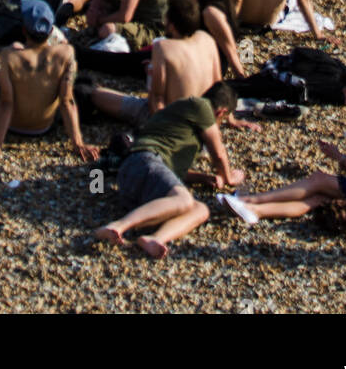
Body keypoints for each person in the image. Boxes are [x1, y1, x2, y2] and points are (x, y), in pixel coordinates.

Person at [229, 66, 346, 225]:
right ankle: (255, 211)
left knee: (319, 180)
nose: (344, 89)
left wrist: (341, 158)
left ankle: (250, 199)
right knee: (320, 197)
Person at [93, 83, 242, 259]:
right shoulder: (201, 106)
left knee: (201, 209)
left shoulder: (179, 123)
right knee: (184, 199)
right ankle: (118, 226)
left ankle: (155, 238)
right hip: (142, 162)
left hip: (138, 183)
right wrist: (229, 177)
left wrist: (202, 178)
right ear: (221, 113)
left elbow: (165, 171)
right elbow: (218, 153)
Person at [0, 0, 98, 162]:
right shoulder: (66, 53)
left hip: (13, 126)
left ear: (23, 30)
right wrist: (78, 143)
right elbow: (67, 101)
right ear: (51, 33)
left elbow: (6, 102)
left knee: (11, 60)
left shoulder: (8, 56)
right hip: (43, 128)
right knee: (84, 83)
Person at [90, 0, 222, 126]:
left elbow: (156, 100)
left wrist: (161, 133)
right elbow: (218, 86)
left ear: (171, 25)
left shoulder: (163, 47)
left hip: (171, 122)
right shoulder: (207, 39)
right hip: (204, 120)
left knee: (97, 95)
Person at [186, 0, 251, 83]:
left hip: (207, 69)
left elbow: (230, 50)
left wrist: (243, 83)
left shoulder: (211, 13)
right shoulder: (212, 7)